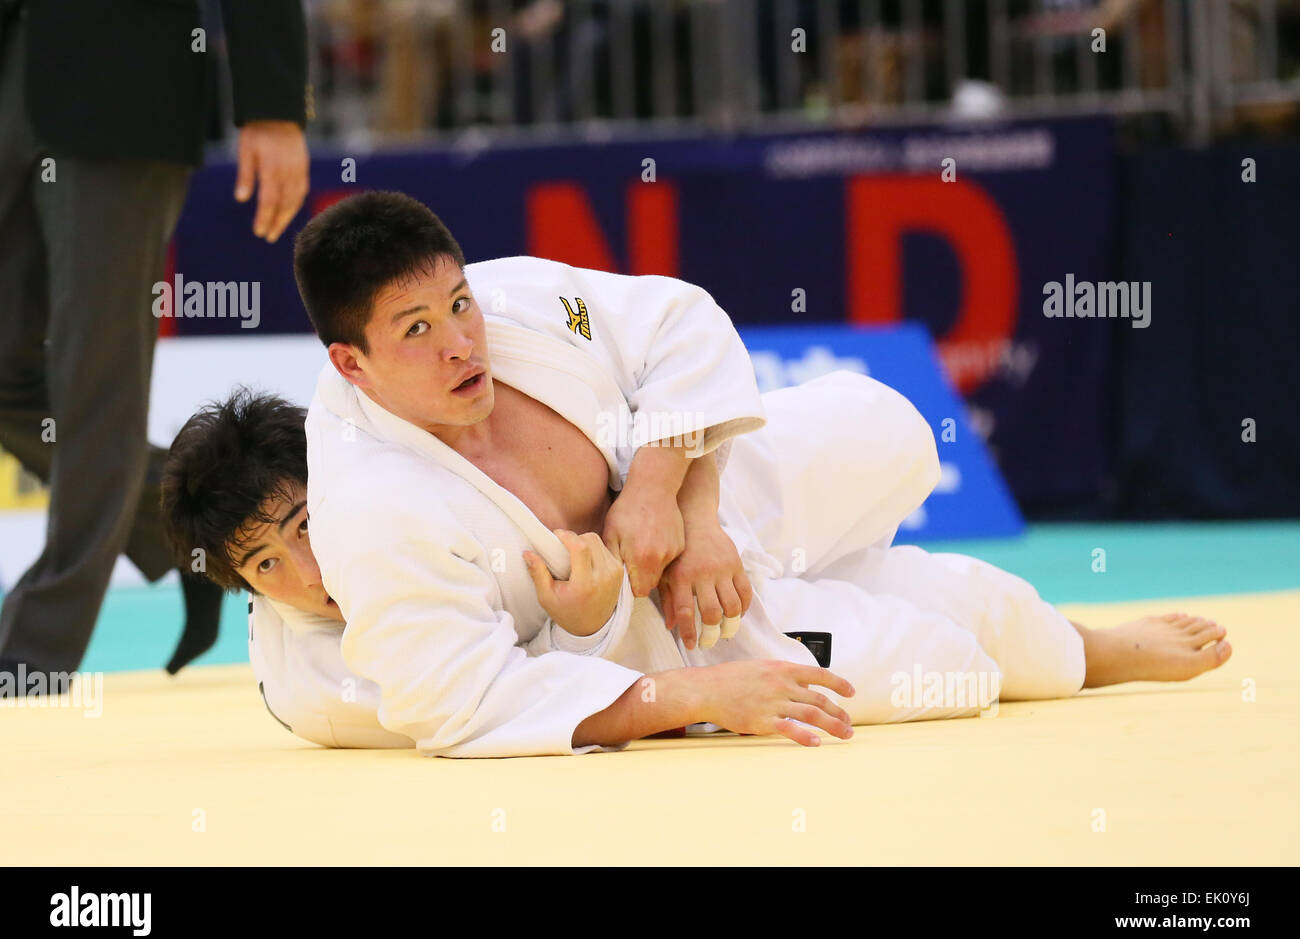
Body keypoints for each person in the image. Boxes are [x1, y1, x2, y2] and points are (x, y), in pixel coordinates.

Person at [168, 190, 1232, 757]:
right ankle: (1085, 648)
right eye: (418, 328)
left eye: (457, 304)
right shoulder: (373, 515)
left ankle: (822, 560)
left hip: (720, 507)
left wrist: (679, 495)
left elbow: (679, 323)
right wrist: (670, 679)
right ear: (350, 361)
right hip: (675, 622)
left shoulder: (518, 297)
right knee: (929, 656)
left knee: (895, 426)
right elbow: (467, 704)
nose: (461, 342)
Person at [0, 0, 310, 688]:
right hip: (12, 65)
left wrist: (274, 103)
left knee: (95, 380)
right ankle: (184, 524)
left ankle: (30, 656)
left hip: (122, 76)